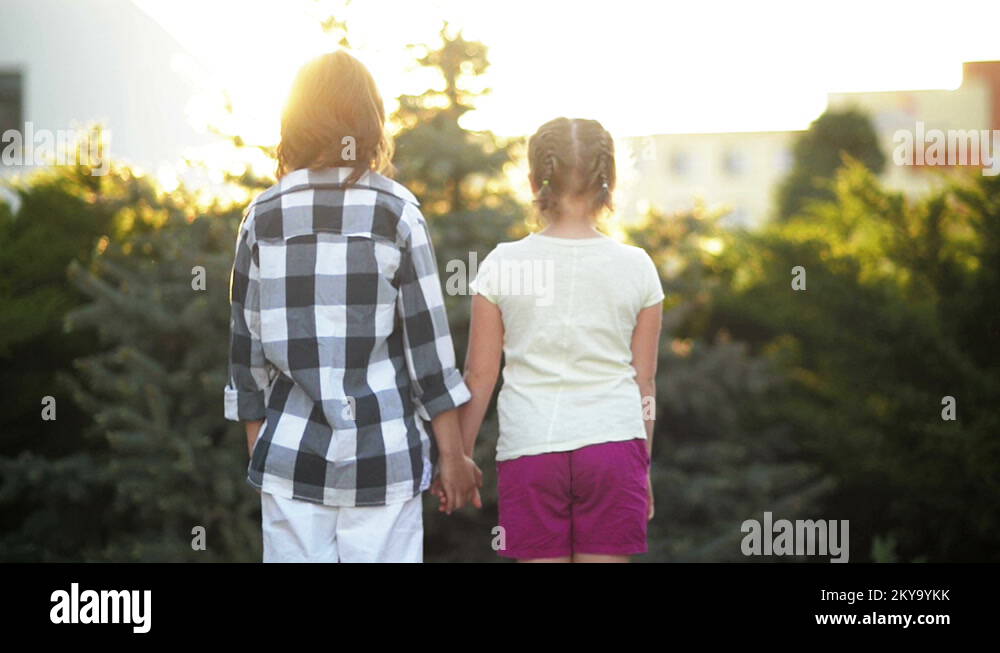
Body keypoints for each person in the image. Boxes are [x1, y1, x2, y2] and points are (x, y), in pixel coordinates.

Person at [224, 51, 481, 563]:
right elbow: (429, 357)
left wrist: (262, 452)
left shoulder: (262, 217)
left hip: (291, 464)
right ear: (370, 122)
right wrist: (453, 456)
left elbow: (245, 358)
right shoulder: (398, 212)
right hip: (384, 461)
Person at [454, 117, 664, 562]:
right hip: (615, 447)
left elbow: (480, 374)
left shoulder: (501, 264)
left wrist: (461, 453)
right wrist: (641, 466)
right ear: (609, 181)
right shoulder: (638, 266)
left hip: (531, 450)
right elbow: (643, 383)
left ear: (533, 181)